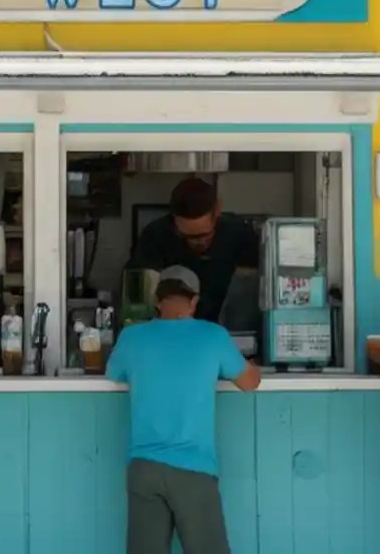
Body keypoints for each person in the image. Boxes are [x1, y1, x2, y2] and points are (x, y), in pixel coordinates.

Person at [104, 265, 262, 554]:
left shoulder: (132, 337)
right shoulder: (212, 336)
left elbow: (113, 374)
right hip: (193, 470)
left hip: (144, 468)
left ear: (156, 300)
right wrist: (250, 365)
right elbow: (250, 382)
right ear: (194, 301)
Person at [126, 177, 260, 323]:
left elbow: (253, 290)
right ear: (174, 221)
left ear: (217, 212)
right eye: (188, 236)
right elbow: (139, 296)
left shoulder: (240, 234)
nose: (199, 242)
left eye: (205, 235)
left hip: (229, 330)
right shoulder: (156, 236)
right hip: (173, 329)